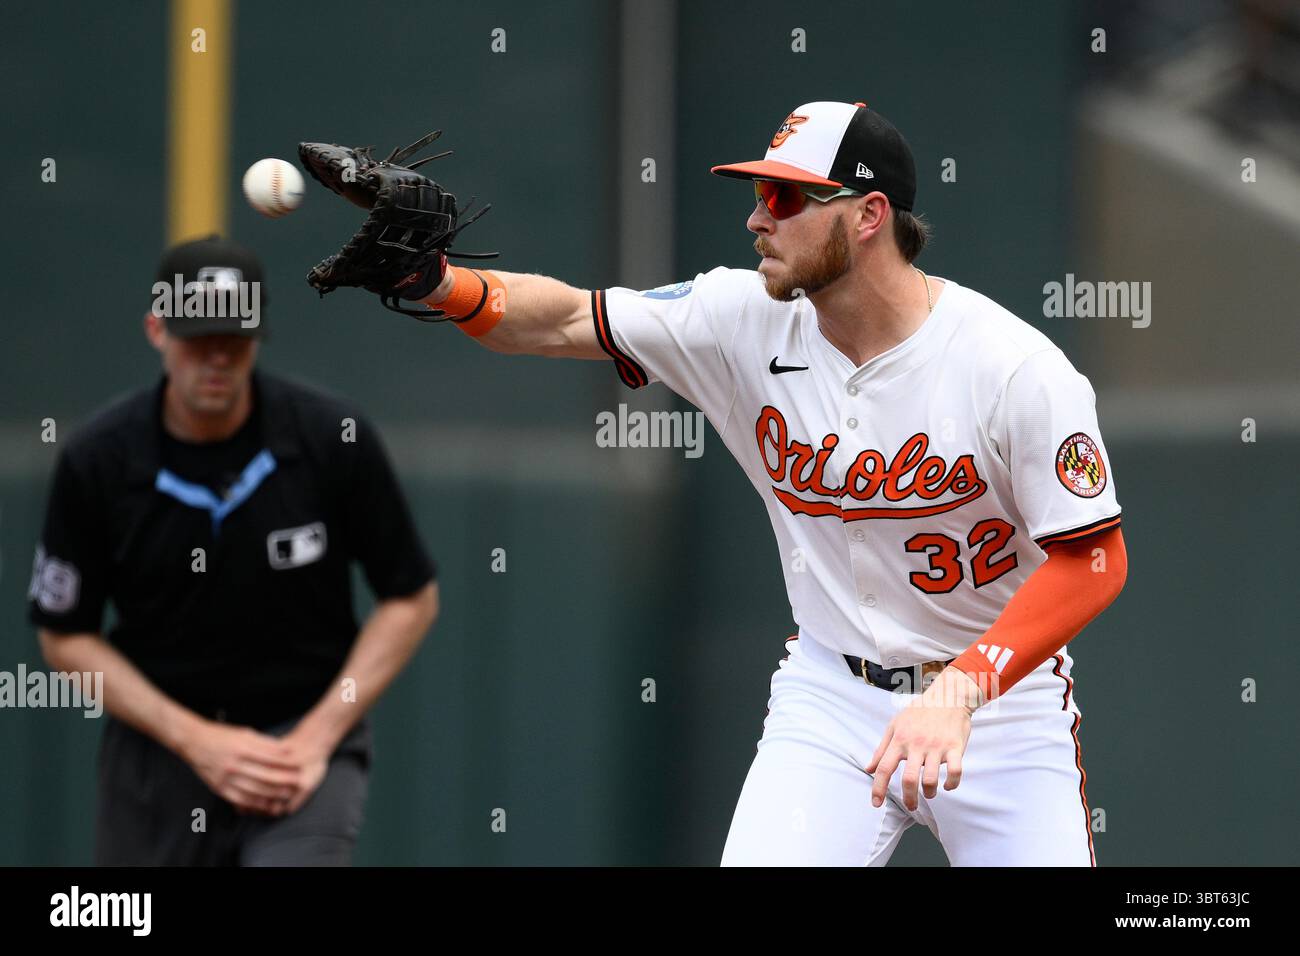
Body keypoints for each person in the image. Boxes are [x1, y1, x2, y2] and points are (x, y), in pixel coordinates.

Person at [314, 100, 1128, 866]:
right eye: (757, 194)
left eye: (784, 196)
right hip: (831, 695)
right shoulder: (737, 319)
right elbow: (562, 318)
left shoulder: (1012, 369)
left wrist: (963, 689)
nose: (757, 218)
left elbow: (1095, 560)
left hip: (998, 704)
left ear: (869, 215)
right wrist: (436, 283)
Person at [29, 235, 438, 866]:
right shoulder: (99, 460)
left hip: (297, 748)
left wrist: (316, 739)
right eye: (198, 337)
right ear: (156, 329)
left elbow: (410, 596)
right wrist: (198, 742)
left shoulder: (332, 437)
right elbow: (64, 635)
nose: (218, 357)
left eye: (236, 338)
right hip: (158, 753)